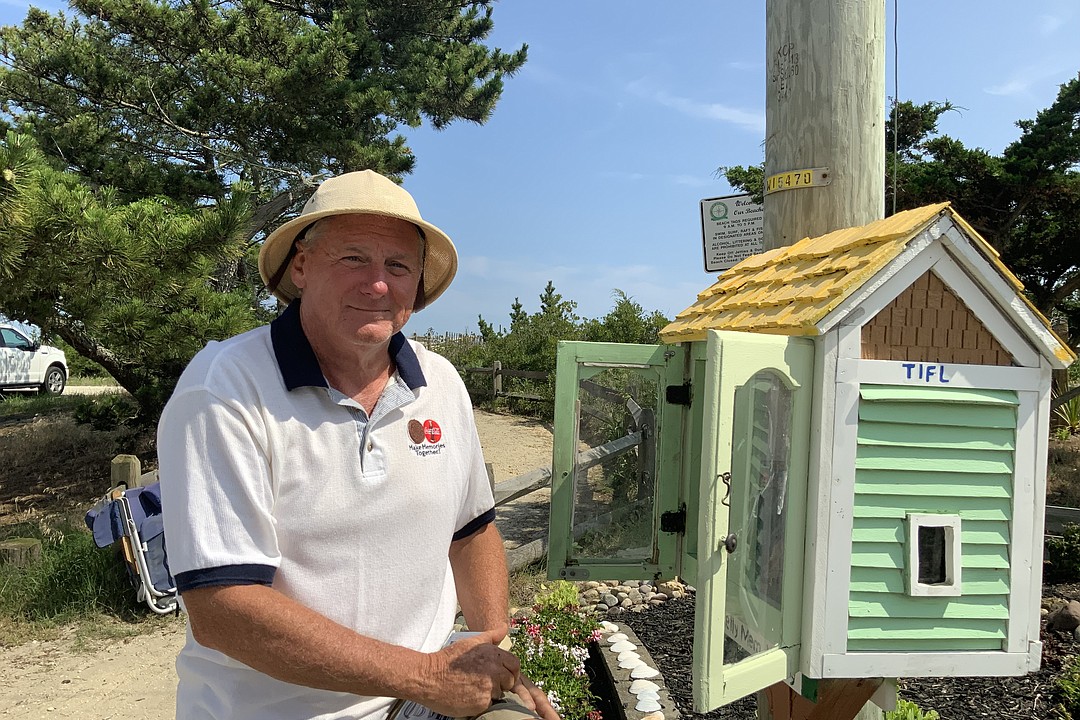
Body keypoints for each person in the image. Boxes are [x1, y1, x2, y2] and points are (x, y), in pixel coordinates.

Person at [158, 170, 558, 720]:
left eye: (398, 266)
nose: (378, 284)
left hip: (414, 702)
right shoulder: (225, 388)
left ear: (417, 284)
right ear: (301, 266)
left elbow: (473, 531)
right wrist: (426, 675)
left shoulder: (440, 382)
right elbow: (223, 608)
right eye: (353, 259)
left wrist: (491, 656)